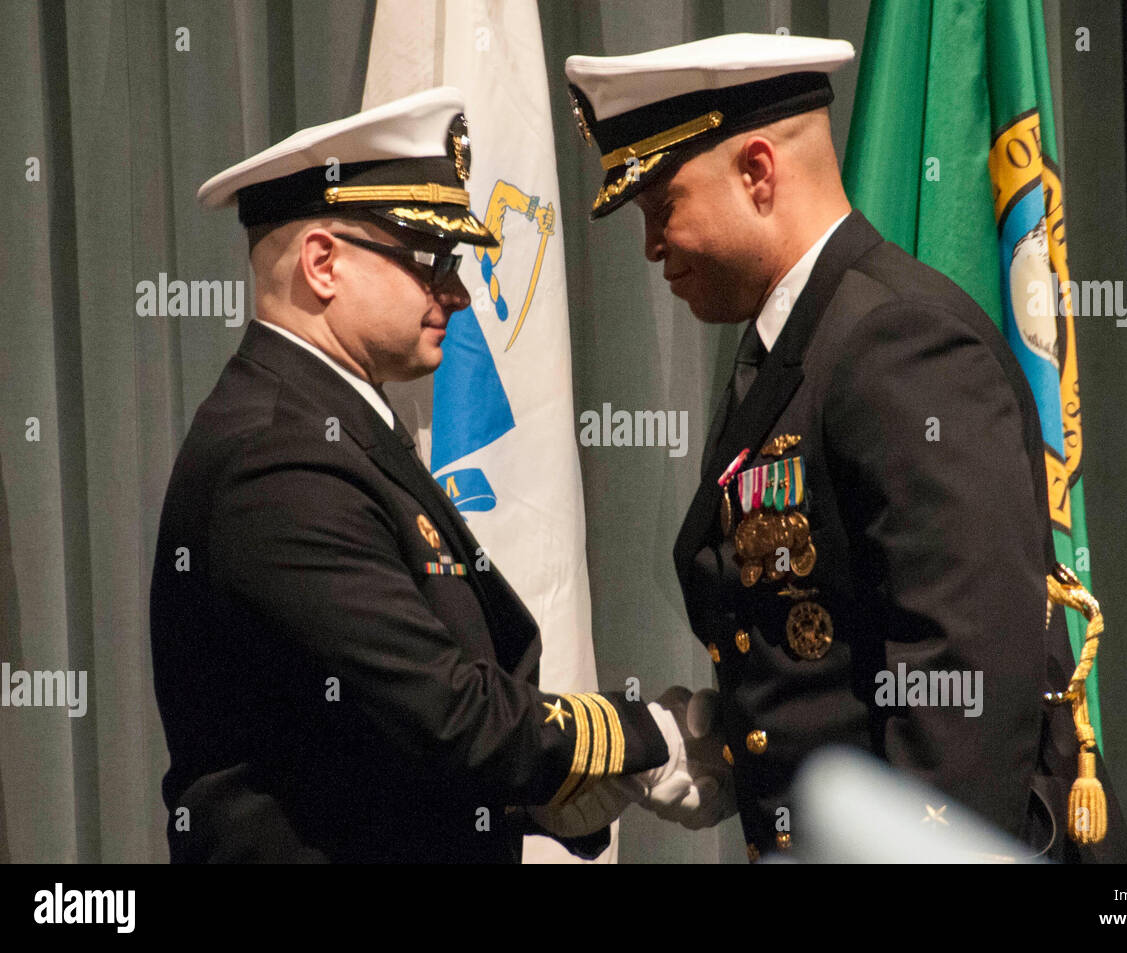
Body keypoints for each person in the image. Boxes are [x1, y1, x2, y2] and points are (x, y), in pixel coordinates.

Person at [566, 33, 1127, 863]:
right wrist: (729, 747)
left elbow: (963, 685)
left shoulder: (896, 341)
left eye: (664, 206)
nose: (653, 244)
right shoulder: (798, 339)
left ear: (758, 172)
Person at [149, 88, 730, 863]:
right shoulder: (277, 459)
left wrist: (539, 797)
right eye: (431, 259)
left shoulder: (331, 422)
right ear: (323, 264)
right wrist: (641, 738)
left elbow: (369, 743)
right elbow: (442, 712)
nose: (457, 293)